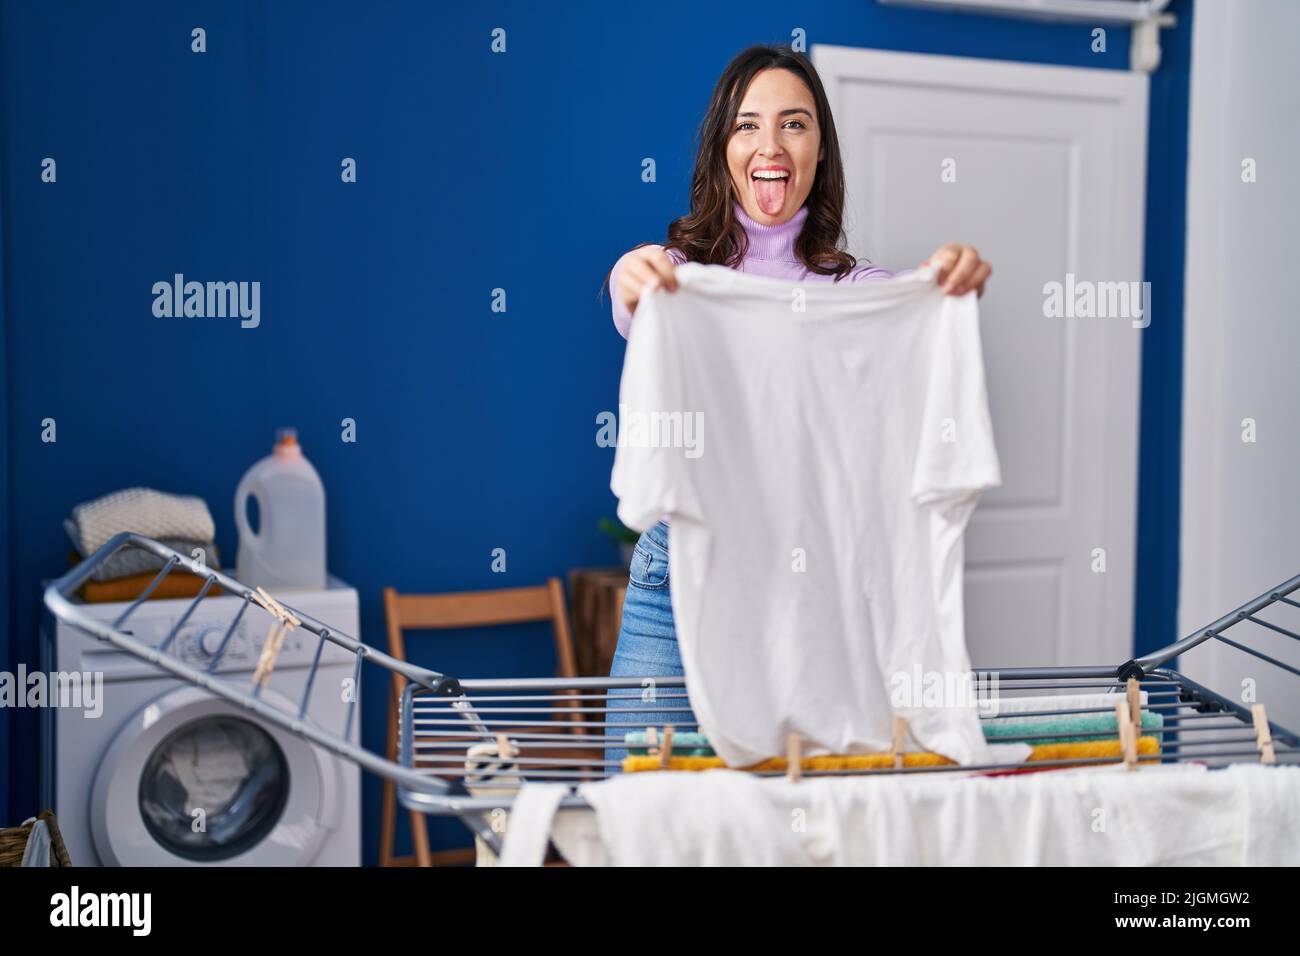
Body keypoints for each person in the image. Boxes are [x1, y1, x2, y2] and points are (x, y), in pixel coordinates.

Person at [600, 44, 992, 771]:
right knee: (639, 802)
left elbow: (913, 319)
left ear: (820, 150)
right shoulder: (680, 279)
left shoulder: (856, 289)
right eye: (747, 126)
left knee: (782, 814)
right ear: (724, 149)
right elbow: (630, 295)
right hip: (673, 579)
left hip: (808, 584)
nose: (770, 145)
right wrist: (631, 272)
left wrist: (946, 287)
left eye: (794, 124)